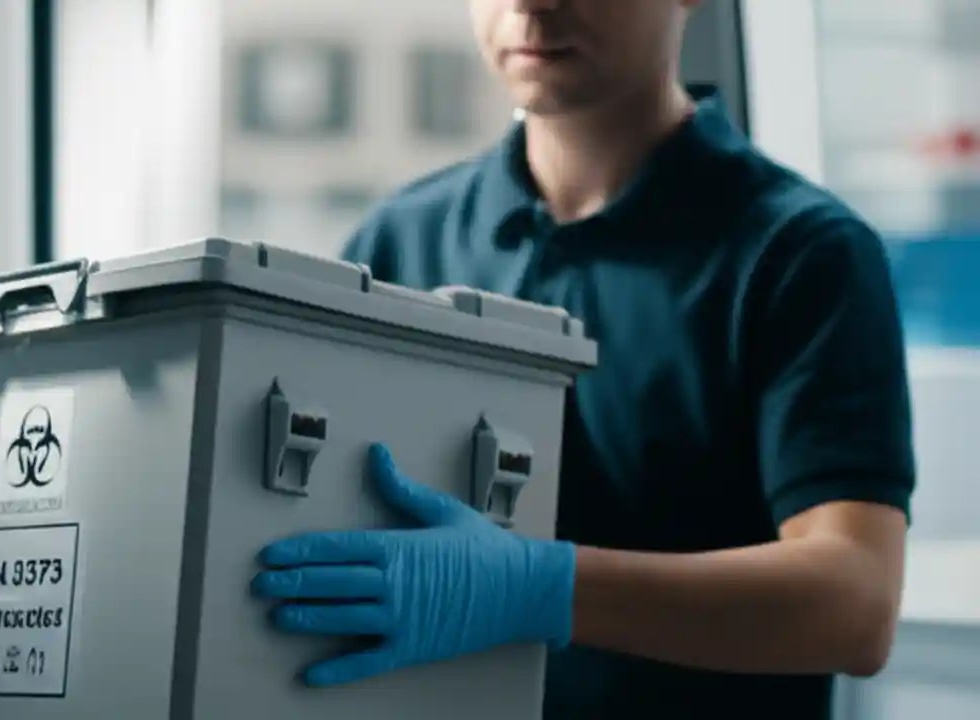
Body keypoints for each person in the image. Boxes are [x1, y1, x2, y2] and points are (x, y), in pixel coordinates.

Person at [250, 1, 916, 717]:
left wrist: (544, 588)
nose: (531, 6)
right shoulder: (396, 243)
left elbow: (854, 601)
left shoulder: (800, 255)